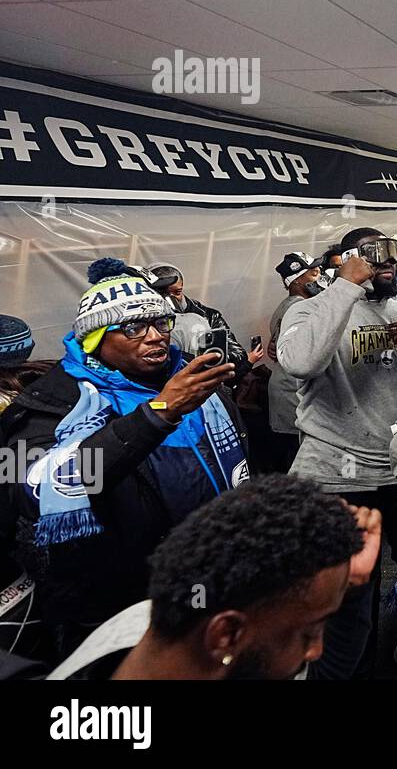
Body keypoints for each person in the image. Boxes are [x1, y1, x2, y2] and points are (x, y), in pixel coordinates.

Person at [0, 258, 247, 657]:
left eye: (161, 323)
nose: (155, 337)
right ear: (95, 338)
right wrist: (159, 414)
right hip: (119, 598)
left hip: (209, 575)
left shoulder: (195, 380)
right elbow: (33, 489)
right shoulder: (53, 401)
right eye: (133, 328)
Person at [275, 227, 397, 680]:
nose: (388, 264)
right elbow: (299, 362)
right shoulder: (310, 309)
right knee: (352, 586)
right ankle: (354, 669)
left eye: (393, 255)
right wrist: (346, 285)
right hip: (338, 475)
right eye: (375, 255)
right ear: (350, 259)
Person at [48, 476, 378, 681]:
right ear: (226, 634)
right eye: (309, 633)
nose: (316, 650)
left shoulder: (162, 616)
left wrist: (349, 586)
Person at [142, 262, 263, 378]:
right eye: (162, 293)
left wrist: (202, 361)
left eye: (177, 292)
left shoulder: (208, 316)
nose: (169, 299)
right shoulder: (143, 321)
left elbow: (238, 355)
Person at [266, 252, 327, 464]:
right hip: (291, 391)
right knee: (297, 456)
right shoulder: (298, 307)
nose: (319, 280)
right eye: (313, 274)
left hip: (289, 388)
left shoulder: (290, 304)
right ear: (297, 280)